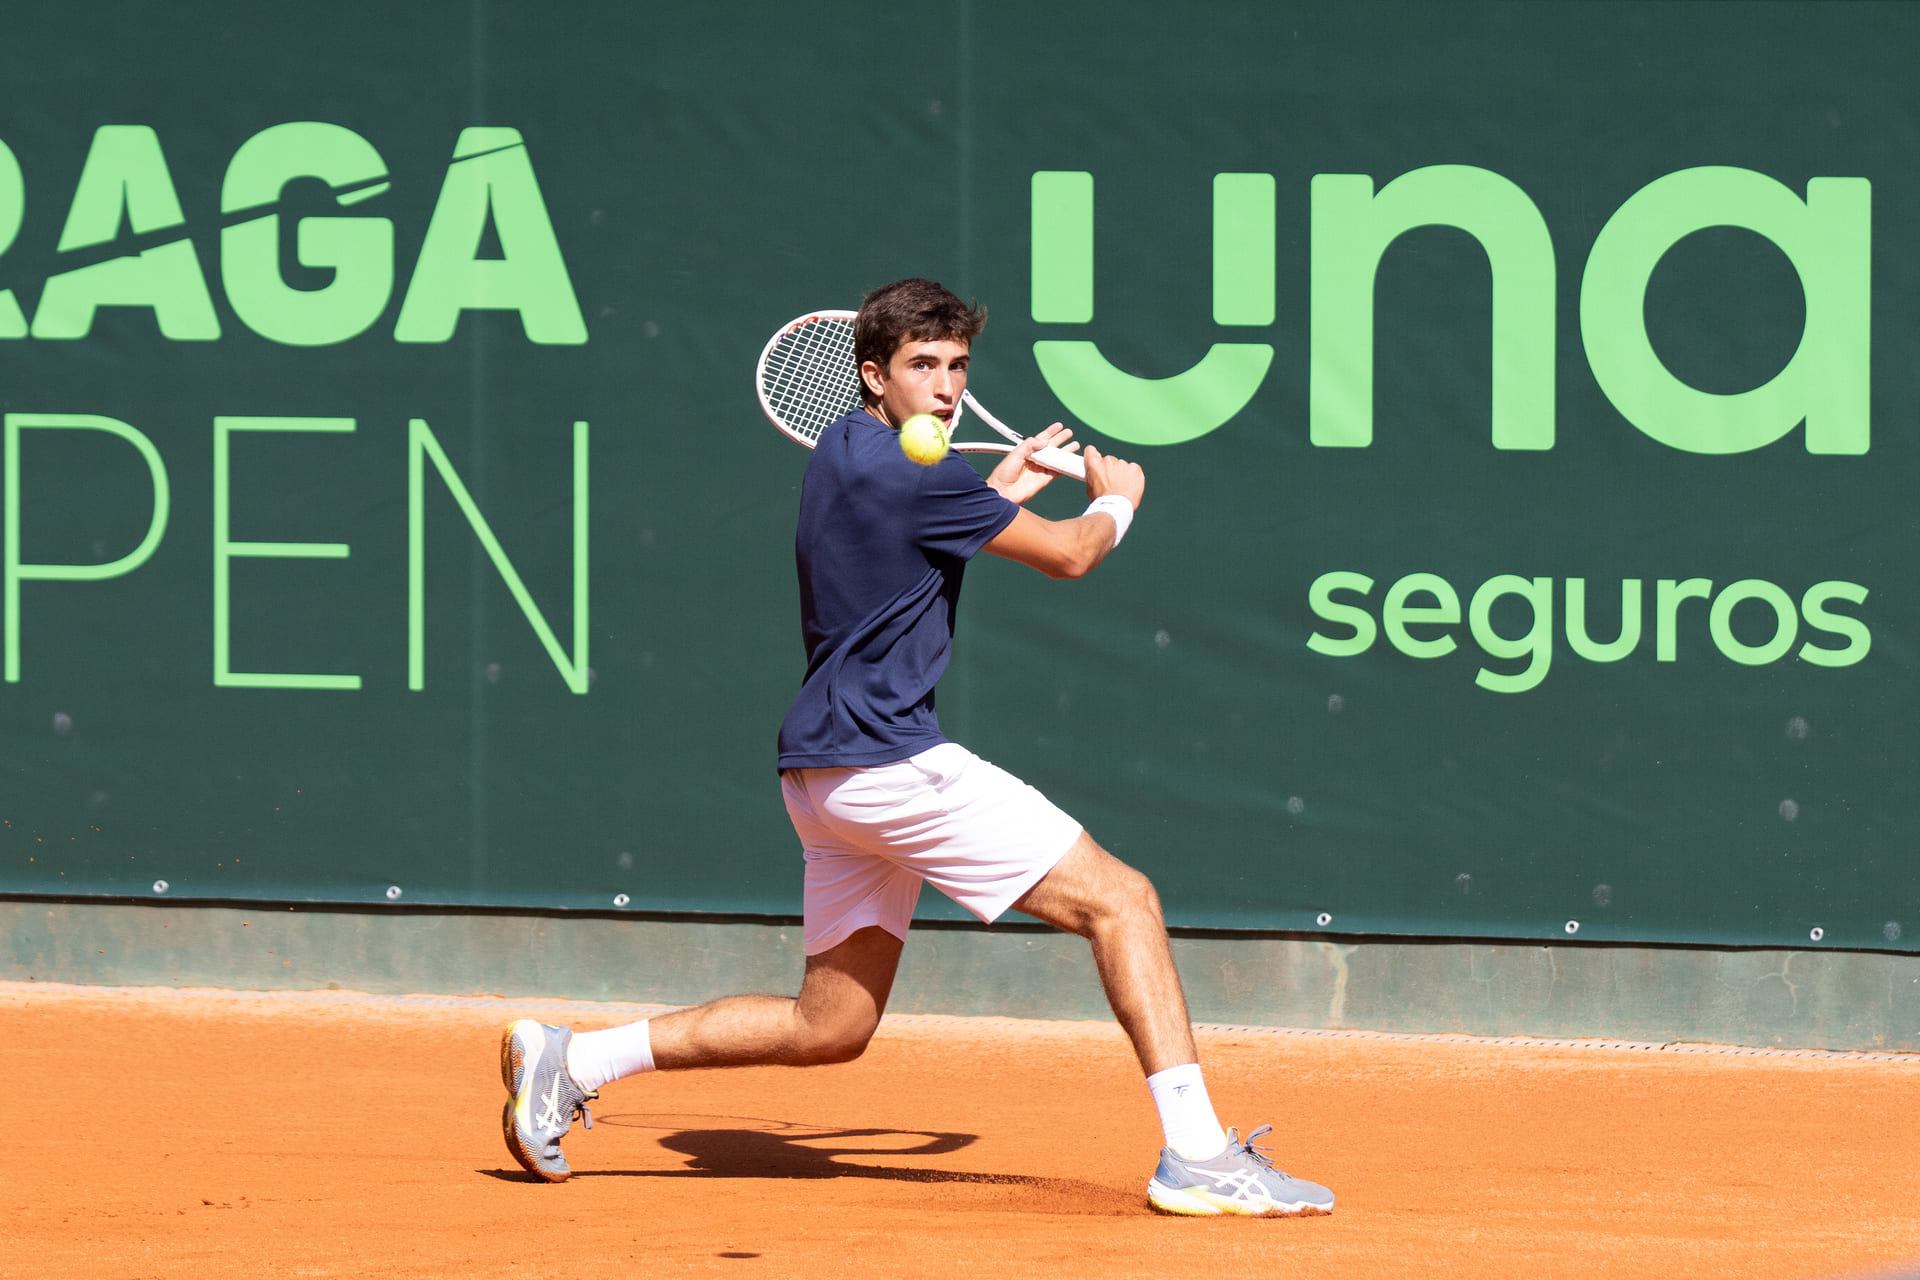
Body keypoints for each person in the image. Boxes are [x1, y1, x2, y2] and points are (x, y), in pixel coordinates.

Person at [499, 278, 1333, 1217]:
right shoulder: (922, 476)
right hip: (887, 762)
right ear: (873, 374)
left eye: (957, 366)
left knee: (829, 1025)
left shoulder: (845, 448)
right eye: (921, 365)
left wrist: (994, 491)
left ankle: (575, 1060)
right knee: (1123, 901)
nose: (944, 386)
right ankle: (1197, 1154)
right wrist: (1117, 503)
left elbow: (910, 539)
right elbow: (1069, 554)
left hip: (822, 777)